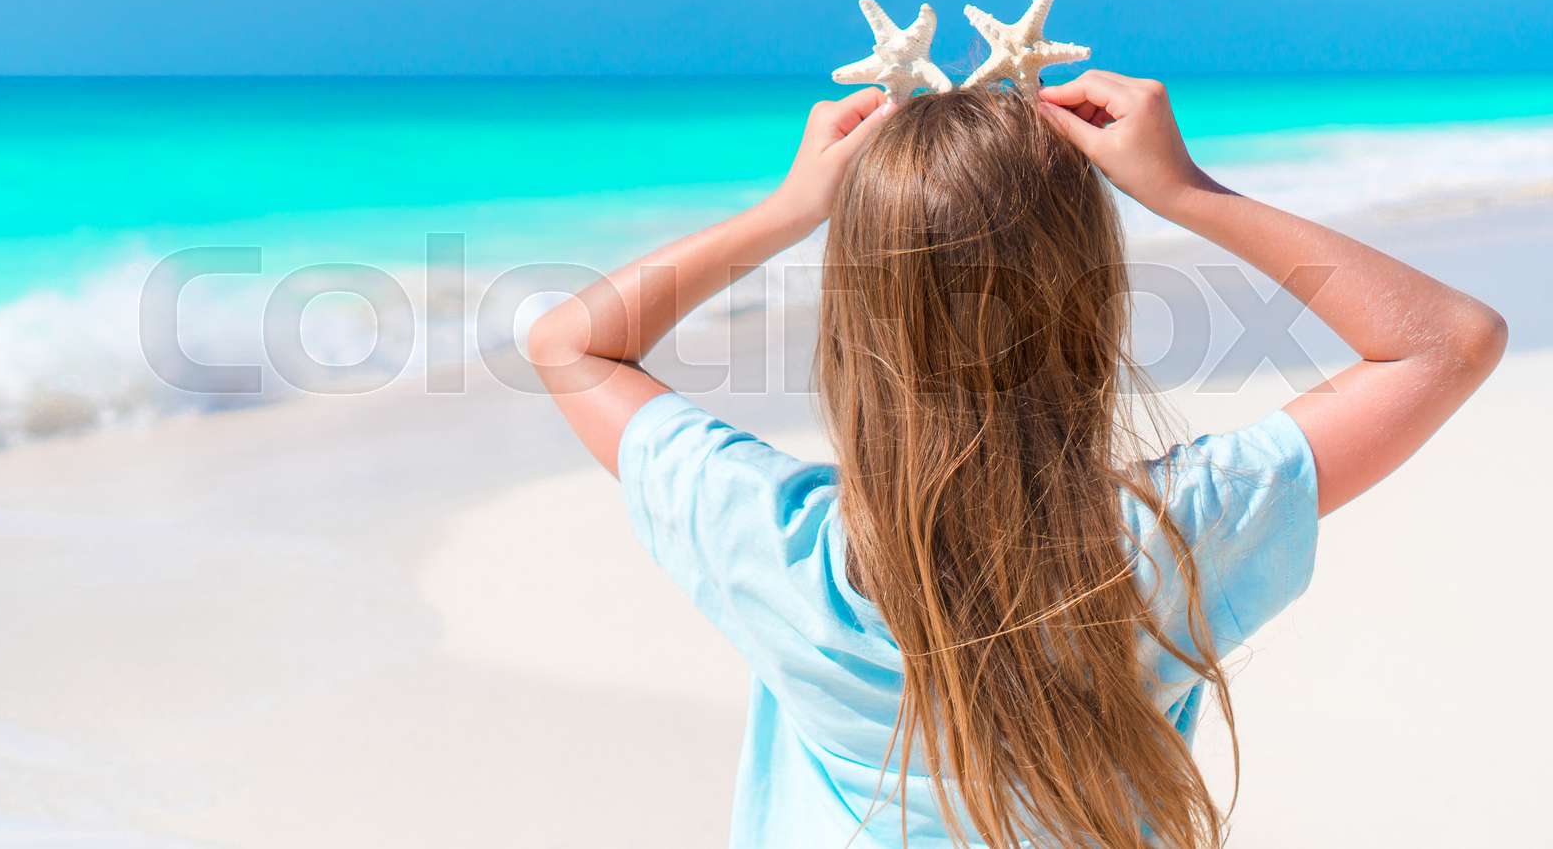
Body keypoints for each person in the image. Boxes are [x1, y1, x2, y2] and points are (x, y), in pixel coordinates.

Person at [527, 73, 1506, 848]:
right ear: (1093, 303)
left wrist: (791, 209)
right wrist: (1182, 191)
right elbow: (1444, 341)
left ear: (856, 321)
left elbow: (570, 344)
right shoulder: (1168, 540)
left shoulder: (778, 548)